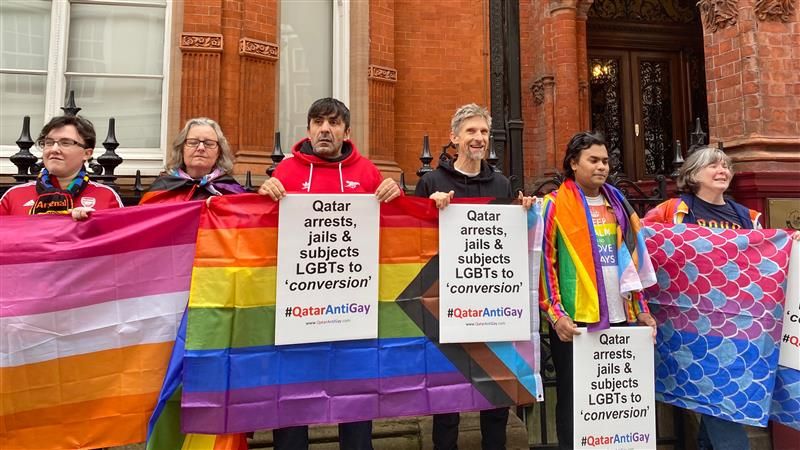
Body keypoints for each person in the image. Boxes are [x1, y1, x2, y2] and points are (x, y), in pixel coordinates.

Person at [258, 97, 401, 450]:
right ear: (307, 129)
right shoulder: (287, 172)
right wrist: (262, 195)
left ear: (346, 132)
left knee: (355, 404)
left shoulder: (367, 172)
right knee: (292, 404)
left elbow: (392, 232)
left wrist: (395, 196)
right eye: (318, 122)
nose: (325, 129)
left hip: (353, 310)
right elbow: (260, 231)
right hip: (297, 312)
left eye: (334, 123)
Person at [643, 145, 800, 450]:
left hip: (738, 327)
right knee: (719, 404)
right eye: (712, 165)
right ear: (692, 174)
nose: (722, 170)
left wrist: (790, 243)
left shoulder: (747, 217)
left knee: (720, 401)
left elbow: (764, 263)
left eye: (726, 166)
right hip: (689, 326)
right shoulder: (671, 212)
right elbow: (646, 247)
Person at [415, 103, 533, 450]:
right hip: (447, 305)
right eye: (470, 131)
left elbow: (511, 243)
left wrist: (523, 211)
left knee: (495, 398)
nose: (478, 138)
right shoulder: (432, 181)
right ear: (454, 138)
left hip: (492, 304)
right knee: (447, 403)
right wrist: (428, 208)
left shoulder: (501, 183)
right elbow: (414, 242)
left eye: (483, 132)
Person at [539, 131, 657, 450]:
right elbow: (545, 263)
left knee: (615, 400)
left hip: (621, 315)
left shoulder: (618, 202)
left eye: (605, 160)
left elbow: (633, 258)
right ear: (573, 163)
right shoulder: (553, 205)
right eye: (593, 160)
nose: (602, 166)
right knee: (575, 397)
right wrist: (556, 314)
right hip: (575, 320)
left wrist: (642, 309)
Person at [0, 114, 122, 219]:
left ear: (87, 153)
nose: (54, 149)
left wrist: (94, 224)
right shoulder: (14, 196)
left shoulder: (106, 196)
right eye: (49, 143)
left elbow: (119, 242)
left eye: (65, 143)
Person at [139, 117, 245, 204]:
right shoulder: (162, 187)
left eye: (209, 143)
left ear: (219, 152)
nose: (201, 148)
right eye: (193, 142)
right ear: (182, 149)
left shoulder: (231, 190)